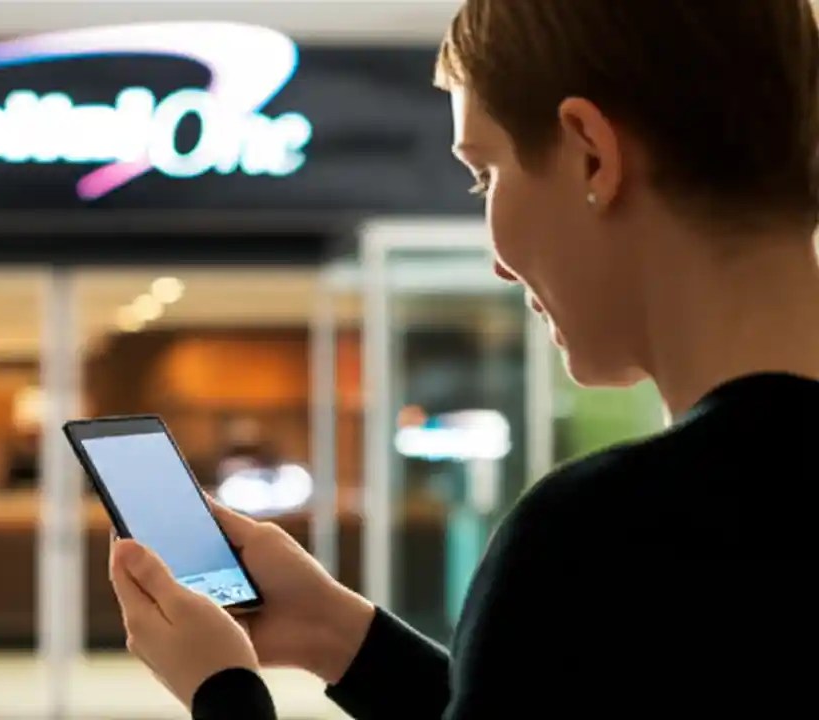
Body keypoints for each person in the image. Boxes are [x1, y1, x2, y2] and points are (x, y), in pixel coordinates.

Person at [106, 2, 819, 718]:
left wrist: (222, 691)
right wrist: (336, 633)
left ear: (591, 155)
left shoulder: (599, 544)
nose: (499, 263)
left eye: (485, 175)